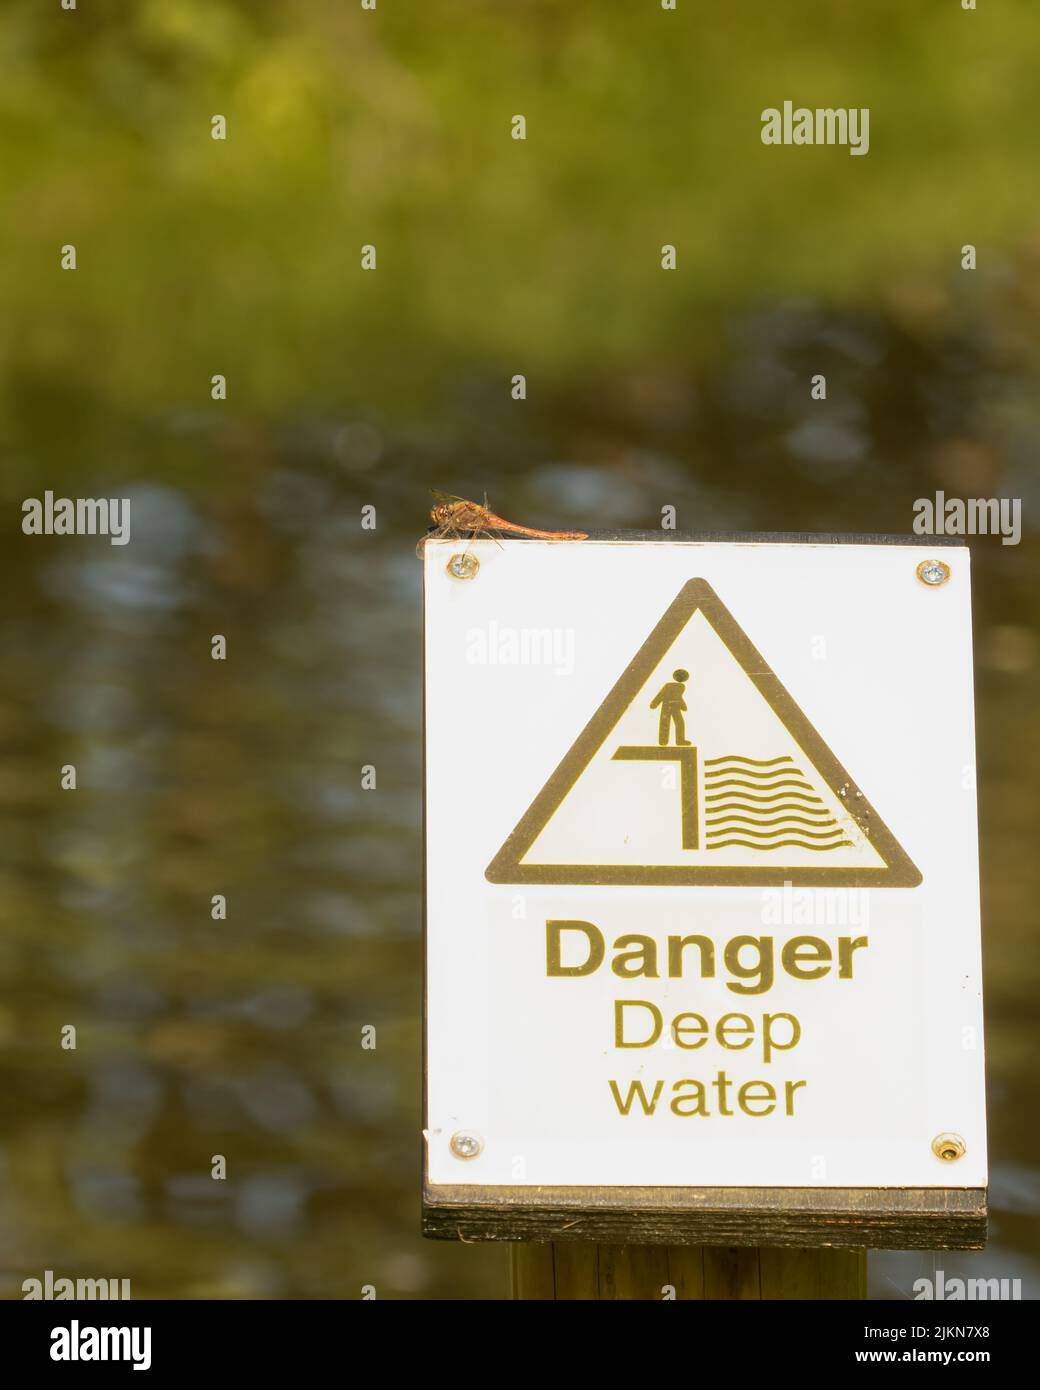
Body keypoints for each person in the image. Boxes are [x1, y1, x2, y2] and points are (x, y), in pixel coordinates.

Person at [649, 669, 691, 746]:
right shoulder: (678, 686)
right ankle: (665, 741)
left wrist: (654, 704)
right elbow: (662, 695)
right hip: (670, 706)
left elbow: (677, 696)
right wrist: (654, 704)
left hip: (672, 706)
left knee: (676, 723)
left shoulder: (678, 686)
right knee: (670, 723)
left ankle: (676, 741)